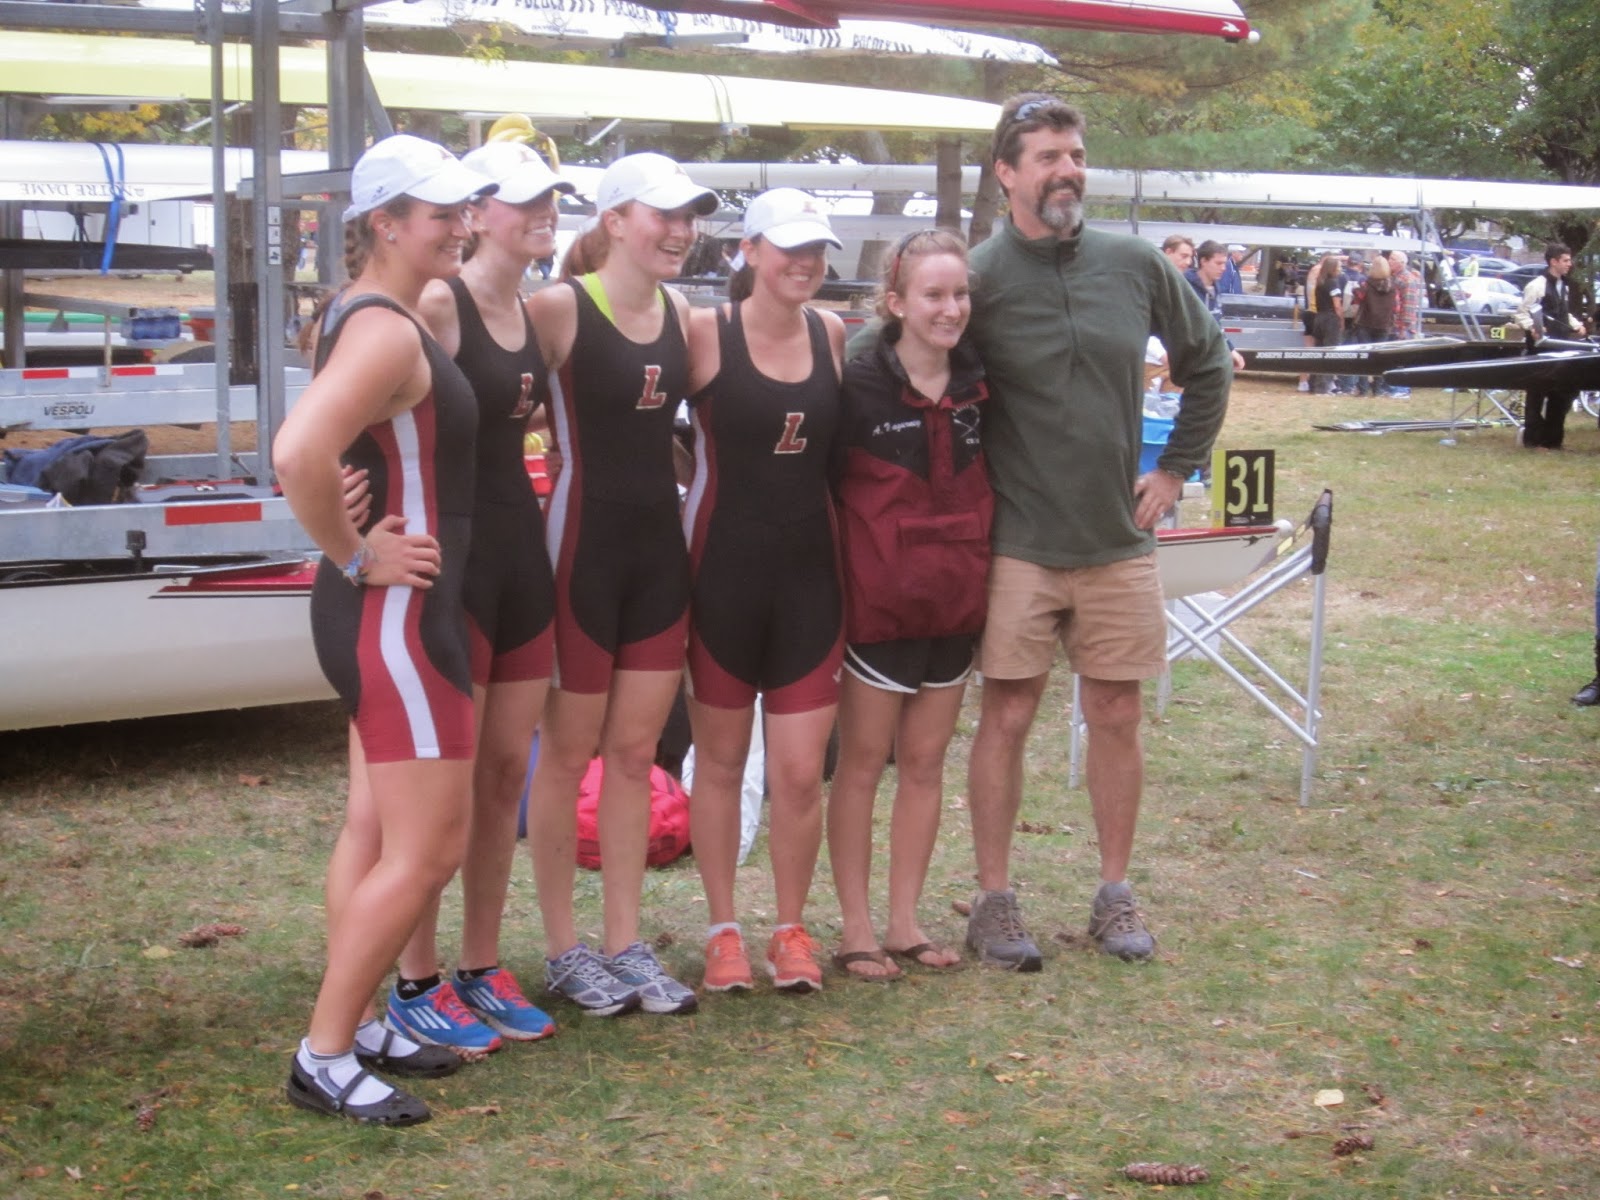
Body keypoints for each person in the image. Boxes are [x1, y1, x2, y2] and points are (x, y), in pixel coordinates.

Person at [961, 94, 1230, 970]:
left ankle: (1115, 893)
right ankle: (995, 902)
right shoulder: (980, 278)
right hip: (1018, 542)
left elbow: (1209, 362)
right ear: (1007, 173)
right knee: (1006, 715)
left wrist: (1174, 469)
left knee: (1117, 713)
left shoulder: (1135, 264)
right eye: (1045, 157)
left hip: (1118, 541)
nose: (1066, 169)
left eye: (1073, 154)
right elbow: (904, 363)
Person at [274, 134, 496, 1125]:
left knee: (375, 830)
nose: (457, 225)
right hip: (396, 616)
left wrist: (351, 549)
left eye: (460, 209)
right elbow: (296, 449)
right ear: (384, 225)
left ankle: (356, 1024)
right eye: (437, 212)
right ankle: (324, 1053)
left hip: (389, 611)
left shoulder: (369, 316)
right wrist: (354, 553)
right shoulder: (388, 331)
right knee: (428, 846)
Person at [368, 139, 576, 1054]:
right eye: (519, 199)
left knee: (503, 777)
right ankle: (414, 978)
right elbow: (369, 400)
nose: (540, 212)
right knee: (440, 796)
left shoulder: (532, 310)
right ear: (476, 211)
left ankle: (481, 965)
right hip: (452, 570)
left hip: (521, 563)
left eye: (549, 198)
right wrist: (356, 524)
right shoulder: (438, 302)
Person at [524, 152, 719, 1017]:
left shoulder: (685, 313)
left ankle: (625, 943)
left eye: (690, 217)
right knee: (567, 757)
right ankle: (565, 948)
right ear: (613, 221)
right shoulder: (560, 308)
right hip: (580, 553)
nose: (680, 231)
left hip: (658, 557)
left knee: (637, 756)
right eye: (663, 215)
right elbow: (478, 399)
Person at [681, 187, 848, 994]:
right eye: (788, 248)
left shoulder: (834, 333)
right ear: (747, 251)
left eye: (816, 249)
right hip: (721, 576)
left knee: (795, 771)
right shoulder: (705, 334)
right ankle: (721, 931)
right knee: (718, 762)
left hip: (810, 582)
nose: (804, 264)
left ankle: (789, 926)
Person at [826, 227, 990, 979]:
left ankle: (903, 922)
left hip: (955, 603)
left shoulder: (983, 383)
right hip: (879, 608)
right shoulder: (856, 385)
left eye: (959, 293)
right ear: (894, 302)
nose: (949, 308)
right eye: (932, 294)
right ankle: (856, 928)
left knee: (925, 764)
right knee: (862, 765)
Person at [1513, 241, 1589, 451]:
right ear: (1553, 261)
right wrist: (1533, 328)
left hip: (1560, 348)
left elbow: (1563, 314)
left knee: (1563, 393)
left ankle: (1552, 440)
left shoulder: (1562, 285)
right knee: (1537, 395)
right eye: (1565, 260)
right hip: (1540, 350)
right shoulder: (1537, 285)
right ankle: (1533, 441)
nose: (1569, 264)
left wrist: (1576, 325)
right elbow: (1522, 313)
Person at [1184, 239, 1247, 373]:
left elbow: (1215, 324)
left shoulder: (1215, 289)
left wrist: (1231, 349)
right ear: (1203, 261)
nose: (1223, 268)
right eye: (1218, 263)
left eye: (1224, 263)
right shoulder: (1185, 287)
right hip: (1185, 360)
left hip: (1206, 360)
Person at [1348, 252, 1396, 396]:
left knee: (1364, 356)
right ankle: (1377, 389)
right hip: (1384, 325)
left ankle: (1362, 389)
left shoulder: (1365, 285)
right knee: (1380, 358)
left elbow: (1356, 301)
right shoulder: (1394, 286)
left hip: (1365, 323)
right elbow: (1396, 307)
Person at [1309, 252, 1345, 395]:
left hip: (1319, 317)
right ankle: (1324, 387)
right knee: (1330, 353)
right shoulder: (1333, 283)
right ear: (1333, 268)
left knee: (1319, 352)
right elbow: (1337, 305)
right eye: (1339, 266)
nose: (1340, 269)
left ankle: (1314, 383)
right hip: (1330, 318)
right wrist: (1341, 320)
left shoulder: (1319, 282)